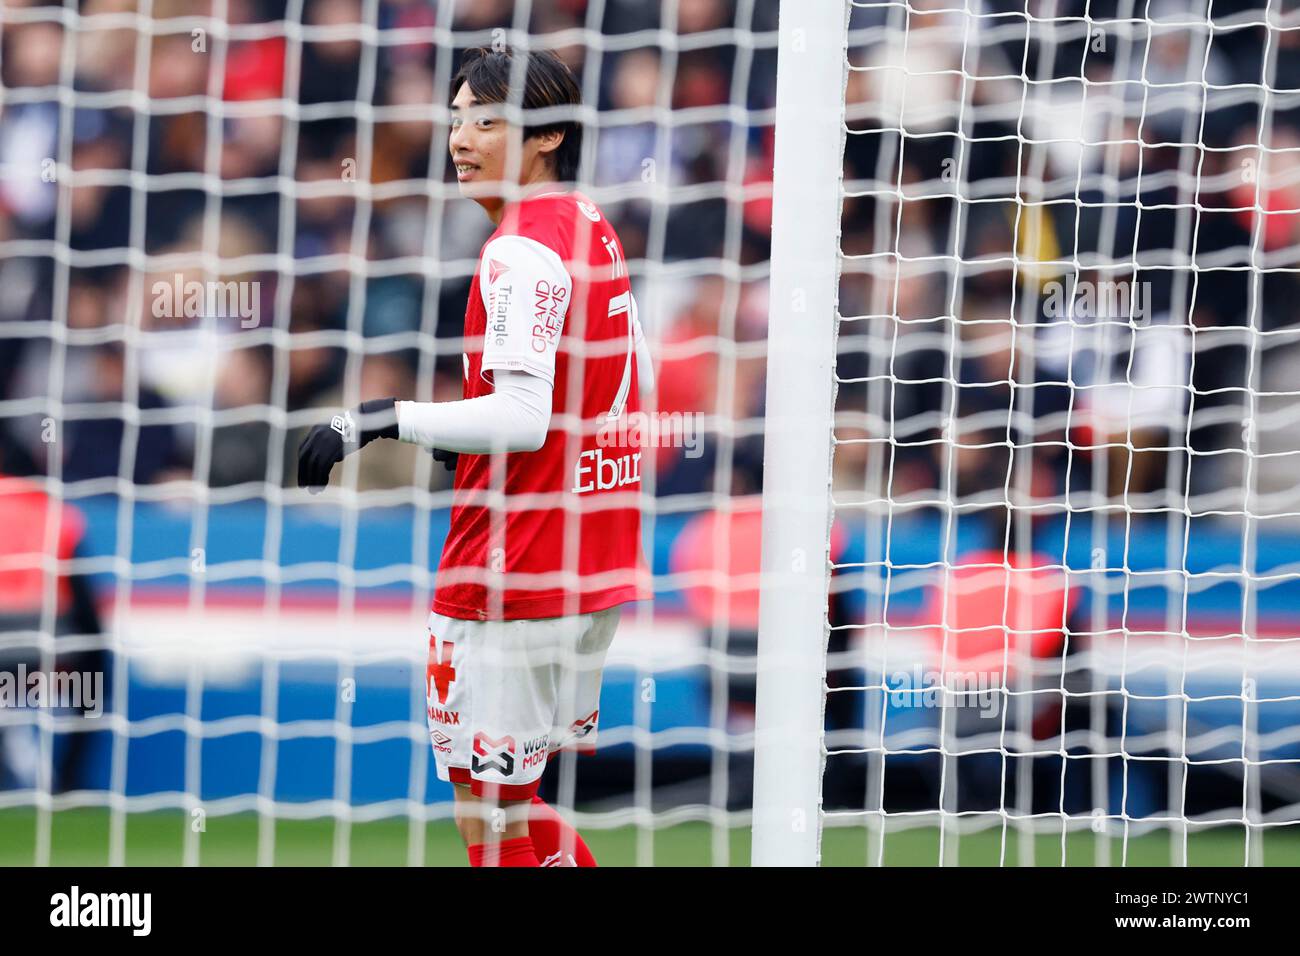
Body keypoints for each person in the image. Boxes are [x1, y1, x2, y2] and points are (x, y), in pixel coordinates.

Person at [296, 47, 654, 867]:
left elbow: (524, 419)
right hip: (587, 552)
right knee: (514, 809)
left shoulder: (518, 249)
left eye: (487, 121)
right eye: (457, 117)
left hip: (512, 569)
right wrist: (471, 446)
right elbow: (596, 382)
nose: (462, 137)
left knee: (484, 817)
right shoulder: (589, 221)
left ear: (548, 135)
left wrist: (379, 420)